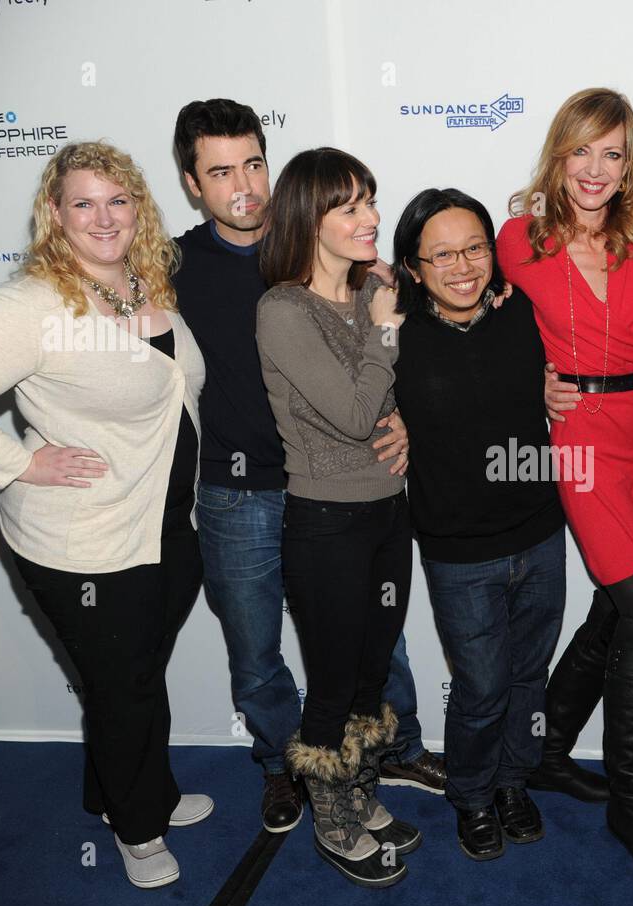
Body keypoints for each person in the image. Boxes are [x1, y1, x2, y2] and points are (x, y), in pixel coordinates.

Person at [0, 142, 212, 890]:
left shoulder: (145, 282)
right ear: (56, 214)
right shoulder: (34, 304)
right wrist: (19, 463)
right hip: (84, 544)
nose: (103, 216)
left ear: (139, 208)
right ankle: (139, 830)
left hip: (165, 528)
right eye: (83, 202)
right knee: (124, 685)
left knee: (131, 678)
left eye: (118, 200)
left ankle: (125, 794)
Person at [170, 99, 442, 838]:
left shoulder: (355, 270)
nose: (243, 184)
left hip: (349, 486)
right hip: (241, 489)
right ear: (194, 184)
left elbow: (402, 362)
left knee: (372, 648)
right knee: (259, 652)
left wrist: (405, 422)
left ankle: (387, 756)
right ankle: (286, 771)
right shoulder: (174, 265)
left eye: (253, 163)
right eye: (221, 172)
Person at [496, 87, 633, 882]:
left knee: (618, 601)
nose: (597, 169)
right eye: (583, 151)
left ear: (630, 162)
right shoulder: (516, 240)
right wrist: (534, 383)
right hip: (578, 439)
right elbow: (482, 332)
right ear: (559, 153)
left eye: (613, 153)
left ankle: (545, 747)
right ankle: (631, 800)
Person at [256, 147, 418, 888]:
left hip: (389, 514)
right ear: (308, 218)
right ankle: (331, 811)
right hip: (326, 523)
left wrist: (407, 422)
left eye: (371, 201)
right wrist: (384, 327)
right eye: (349, 206)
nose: (372, 218)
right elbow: (355, 413)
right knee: (330, 680)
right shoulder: (282, 309)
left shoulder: (367, 294)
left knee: (371, 670)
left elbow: (387, 403)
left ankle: (361, 787)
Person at [391, 188, 566, 861]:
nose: (463, 266)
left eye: (474, 248)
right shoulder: (392, 337)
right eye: (441, 255)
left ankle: (514, 782)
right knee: (481, 686)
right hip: (458, 549)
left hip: (540, 532)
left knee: (529, 676)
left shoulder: (522, 312)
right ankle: (470, 794)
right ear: (413, 267)